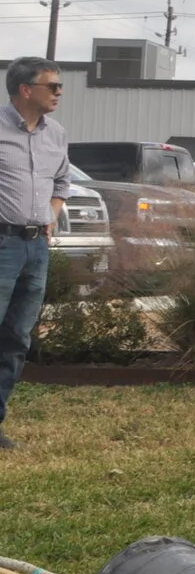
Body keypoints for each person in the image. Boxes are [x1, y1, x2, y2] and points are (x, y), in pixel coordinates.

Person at [0, 57, 71, 450]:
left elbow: (62, 179)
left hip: (36, 248)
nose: (60, 93)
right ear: (26, 90)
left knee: (15, 338)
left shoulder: (56, 133)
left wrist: (51, 214)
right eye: (53, 86)